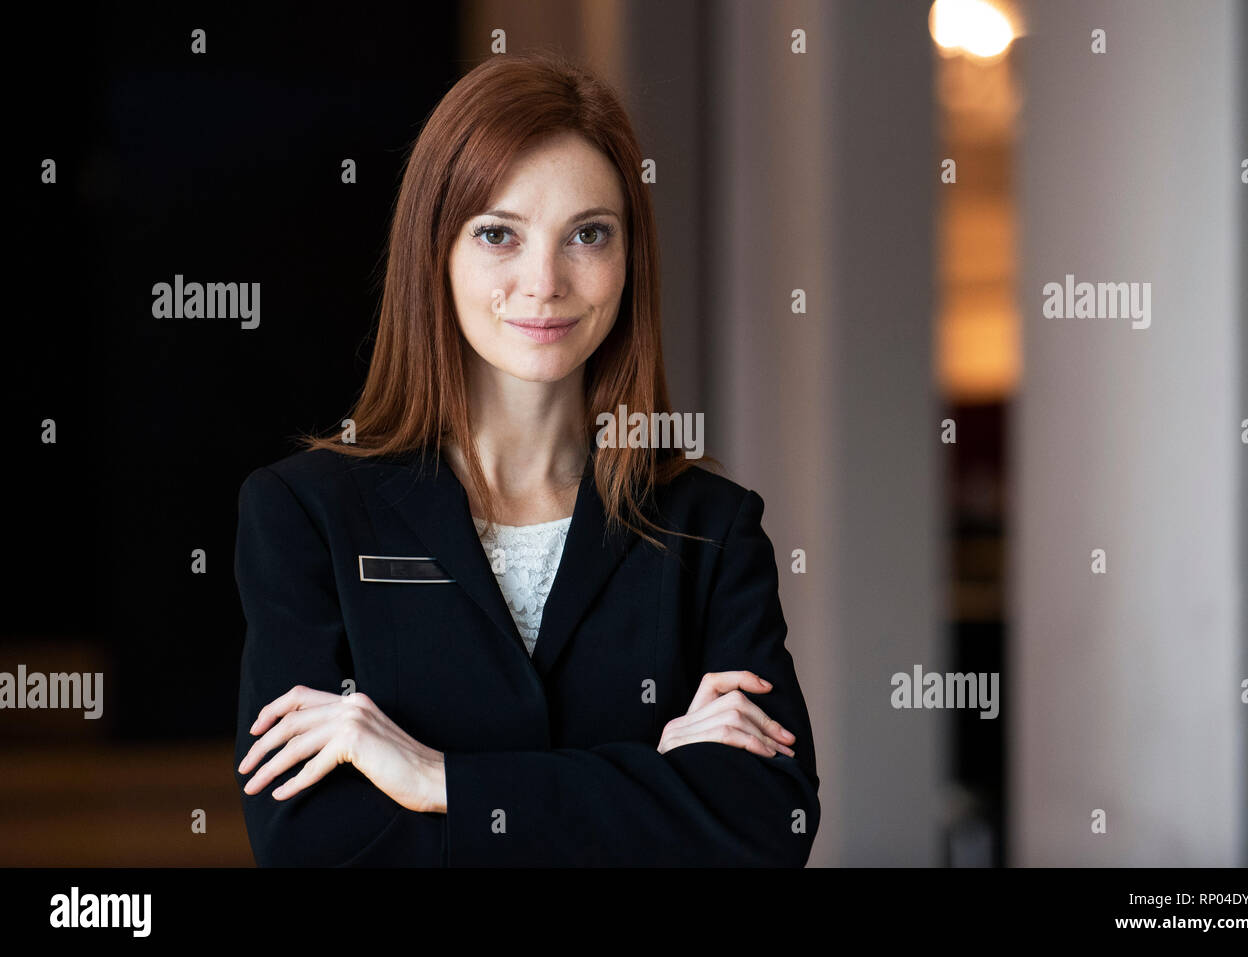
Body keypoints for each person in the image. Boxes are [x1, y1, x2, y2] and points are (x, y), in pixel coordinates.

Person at [233, 50, 820, 866]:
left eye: (588, 234)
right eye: (498, 233)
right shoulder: (307, 515)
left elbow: (765, 823)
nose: (544, 282)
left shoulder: (711, 529)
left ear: (628, 259)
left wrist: (437, 778)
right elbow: (314, 845)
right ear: (434, 252)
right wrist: (655, 782)